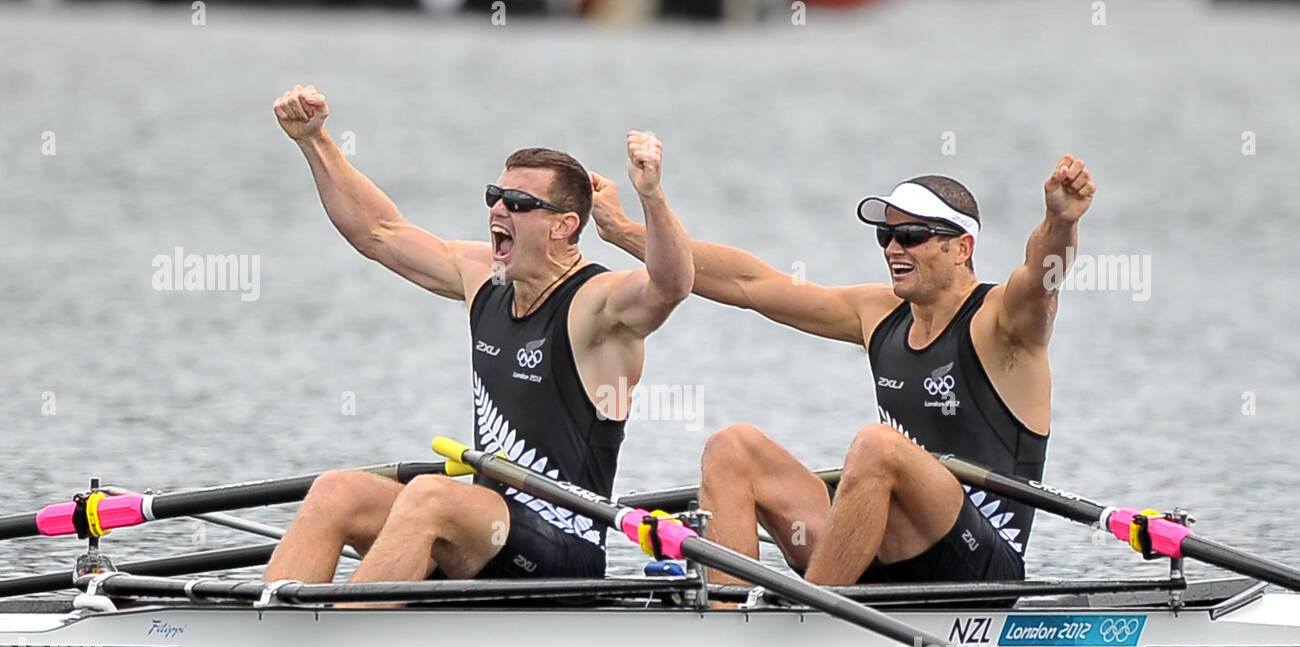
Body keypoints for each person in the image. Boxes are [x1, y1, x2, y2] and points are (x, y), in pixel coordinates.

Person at [590, 156, 1094, 585]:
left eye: (911, 235)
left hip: (980, 561)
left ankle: (811, 617)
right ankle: (729, 615)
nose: (893, 249)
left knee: (878, 446)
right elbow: (750, 284)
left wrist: (1060, 222)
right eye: (885, 235)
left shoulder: (1002, 322)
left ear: (962, 248)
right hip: (879, 547)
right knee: (733, 447)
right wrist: (625, 230)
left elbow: (1040, 281)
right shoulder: (877, 313)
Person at [264, 85, 693, 583]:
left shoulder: (595, 305)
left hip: (563, 548)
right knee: (336, 490)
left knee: (430, 497)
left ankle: (349, 624)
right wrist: (314, 140)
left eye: (518, 202)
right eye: (495, 196)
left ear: (563, 226)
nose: (498, 210)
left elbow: (670, 285)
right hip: (482, 530)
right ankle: (273, 619)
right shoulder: (482, 277)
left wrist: (651, 197)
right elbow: (379, 232)